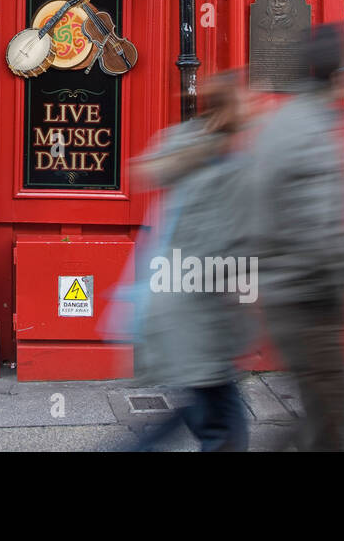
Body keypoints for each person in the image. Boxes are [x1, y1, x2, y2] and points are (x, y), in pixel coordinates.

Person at [244, 24, 344, 451]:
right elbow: (320, 225)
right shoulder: (317, 128)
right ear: (339, 72)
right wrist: (342, 278)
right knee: (333, 423)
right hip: (309, 298)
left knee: (322, 415)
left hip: (288, 293)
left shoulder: (282, 120)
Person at [118, 72, 256, 452]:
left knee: (204, 411)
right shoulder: (227, 167)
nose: (253, 107)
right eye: (245, 101)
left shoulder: (209, 151)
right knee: (222, 427)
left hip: (186, 311)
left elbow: (146, 169)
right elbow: (220, 249)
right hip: (196, 313)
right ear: (227, 109)